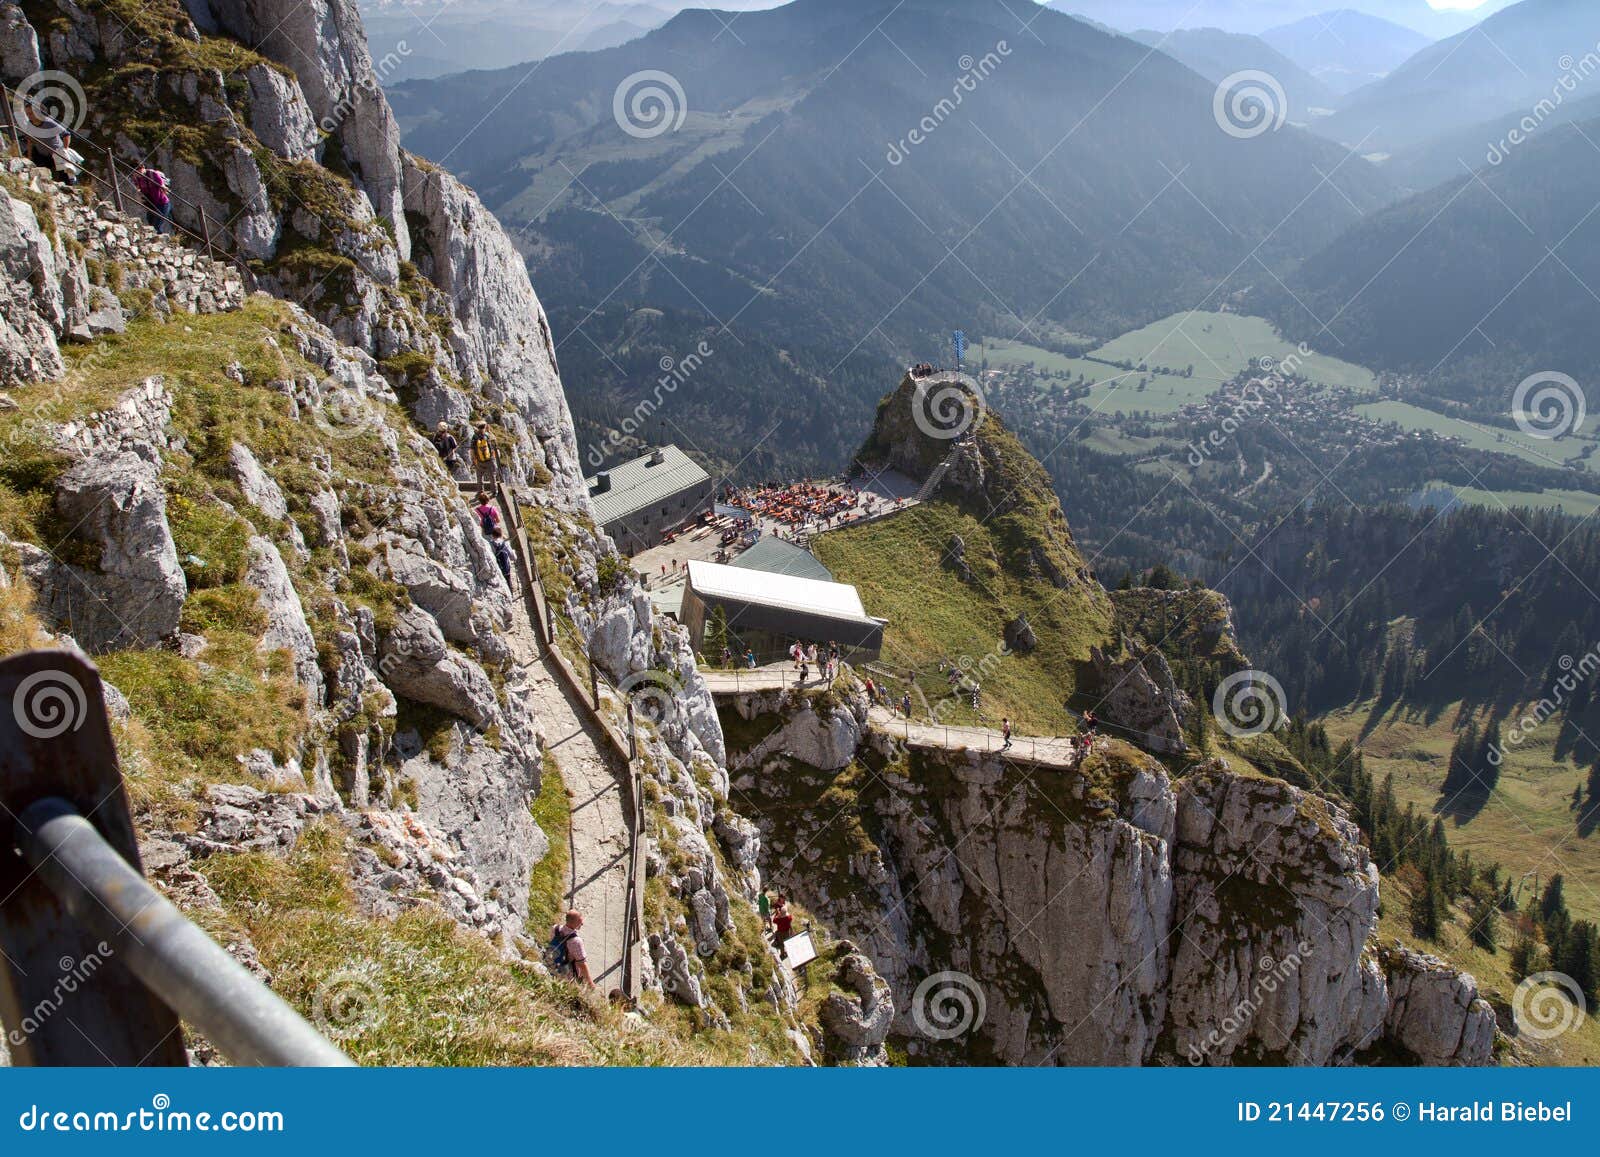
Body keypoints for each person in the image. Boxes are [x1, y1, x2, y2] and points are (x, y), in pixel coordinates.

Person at [547, 909, 593, 986]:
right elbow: (582, 964)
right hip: (567, 974)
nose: (582, 923)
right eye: (580, 921)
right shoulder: (576, 941)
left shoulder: (555, 928)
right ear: (574, 923)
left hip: (552, 964)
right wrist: (591, 983)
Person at [132, 163, 171, 234]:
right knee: (151, 224)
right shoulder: (137, 178)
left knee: (156, 226)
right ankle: (156, 238)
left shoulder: (152, 174)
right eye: (136, 172)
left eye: (139, 170)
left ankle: (159, 238)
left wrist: (164, 188)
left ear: (143, 167)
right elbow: (138, 189)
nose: (138, 173)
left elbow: (162, 185)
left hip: (162, 203)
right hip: (150, 204)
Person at [469, 421, 499, 490]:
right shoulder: (488, 435)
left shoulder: (474, 437)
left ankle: (480, 491)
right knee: (492, 477)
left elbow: (472, 449)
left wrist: (473, 459)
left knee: (479, 477)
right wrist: (489, 431)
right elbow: (494, 441)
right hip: (490, 460)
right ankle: (494, 491)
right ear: (485, 427)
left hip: (479, 460)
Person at [489, 525, 515, 590]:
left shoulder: (489, 544)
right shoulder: (505, 543)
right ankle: (510, 589)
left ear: (492, 535)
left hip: (497, 568)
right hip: (506, 567)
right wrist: (513, 552)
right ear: (501, 534)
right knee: (508, 579)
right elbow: (513, 557)